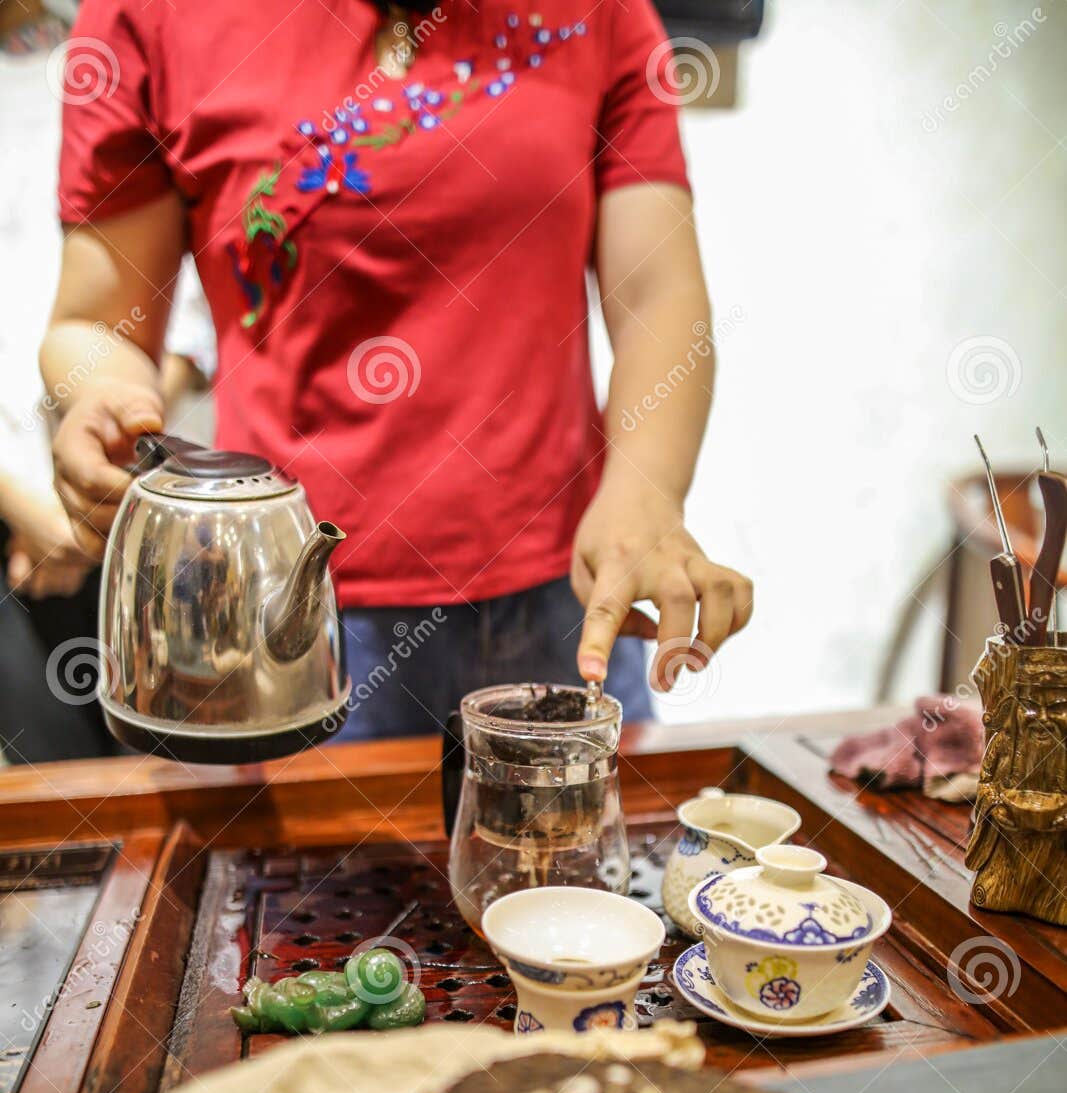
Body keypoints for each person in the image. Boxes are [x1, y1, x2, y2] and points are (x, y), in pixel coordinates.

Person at [43, 0, 753, 744]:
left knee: (583, 860)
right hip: (286, 619)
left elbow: (655, 289)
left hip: (563, 600)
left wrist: (645, 496)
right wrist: (104, 396)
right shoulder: (152, 17)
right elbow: (95, 320)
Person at [0, 0, 216, 762]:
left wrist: (110, 460)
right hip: (24, 538)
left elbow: (173, 301)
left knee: (179, 783)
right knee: (58, 820)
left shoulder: (115, 51)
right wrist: (27, 504)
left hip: (127, 489)